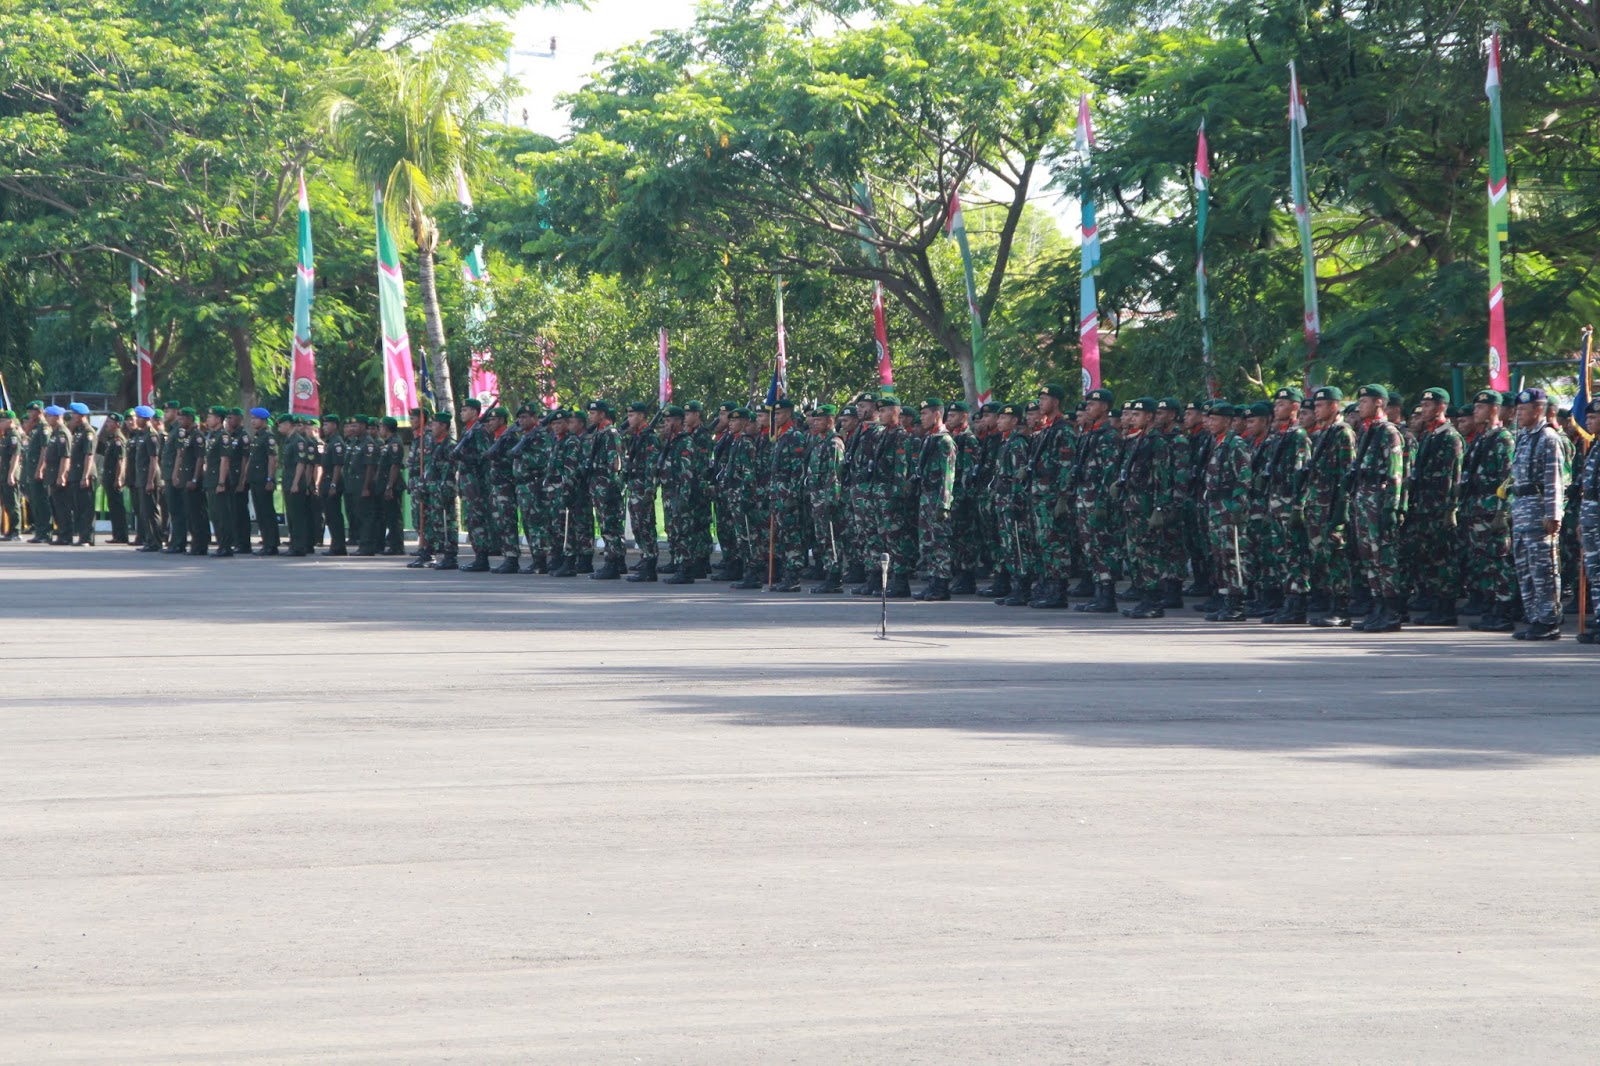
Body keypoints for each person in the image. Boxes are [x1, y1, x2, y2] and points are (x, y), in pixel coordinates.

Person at [1508, 388, 1567, 640]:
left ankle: (1549, 620)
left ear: (1538, 410)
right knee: (1525, 569)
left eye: (1524, 409)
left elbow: (1554, 478)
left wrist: (1553, 514)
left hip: (1539, 510)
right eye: (1518, 409)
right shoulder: (1523, 437)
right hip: (1521, 509)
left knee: (1544, 569)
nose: (1519, 414)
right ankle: (1534, 618)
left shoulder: (1548, 438)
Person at [1348, 385, 1408, 632]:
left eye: (1365, 401)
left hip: (1379, 499)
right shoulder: (1367, 431)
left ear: (1379, 403)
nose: (1360, 406)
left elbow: (1396, 474)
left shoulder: (1388, 432)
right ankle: (1378, 606)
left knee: (1383, 557)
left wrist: (1391, 509)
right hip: (1364, 499)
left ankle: (1392, 610)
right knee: (1368, 557)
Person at [1406, 387, 1465, 625]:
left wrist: (1451, 509)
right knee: (1429, 557)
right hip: (1425, 506)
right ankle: (1434, 603)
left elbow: (1456, 477)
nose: (1423, 409)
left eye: (1429, 405)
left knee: (1444, 558)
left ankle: (1446, 607)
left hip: (1441, 508)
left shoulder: (1450, 437)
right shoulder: (1430, 435)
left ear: (1441, 407)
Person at [1303, 387, 1357, 627]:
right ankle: (1329, 600)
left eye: (1321, 405)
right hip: (1318, 505)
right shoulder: (1321, 434)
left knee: (1336, 556)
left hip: (1333, 504)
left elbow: (1347, 473)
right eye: (1315, 406)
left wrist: (1342, 508)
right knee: (1323, 556)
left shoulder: (1343, 433)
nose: (1316, 410)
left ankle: (1342, 607)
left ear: (1334, 406)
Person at [1116, 397, 1173, 618]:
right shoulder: (1139, 439)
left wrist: (1159, 509)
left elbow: (1162, 478)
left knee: (1150, 554)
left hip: (1147, 506)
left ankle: (1154, 601)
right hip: (1133, 504)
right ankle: (1144, 598)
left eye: (1137, 414)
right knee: (1137, 553)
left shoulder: (1157, 441)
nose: (1132, 418)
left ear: (1149, 416)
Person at [1260, 388, 1311, 623]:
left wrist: (1299, 506)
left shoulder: (1298, 436)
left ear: (1294, 407)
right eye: (1276, 403)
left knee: (1294, 553)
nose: (1276, 407)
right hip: (1276, 501)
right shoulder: (1279, 435)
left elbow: (1301, 475)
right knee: (1280, 553)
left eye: (1281, 404)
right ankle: (1286, 600)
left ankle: (1297, 602)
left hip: (1289, 503)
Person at [1026, 384, 1075, 609]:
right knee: (1044, 542)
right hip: (1040, 496)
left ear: (1056, 402)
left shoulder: (1063, 430)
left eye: (1044, 399)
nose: (1040, 403)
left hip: (1054, 496)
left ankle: (1058, 590)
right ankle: (1047, 584)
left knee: (1056, 543)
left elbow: (1066, 466)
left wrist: (1063, 498)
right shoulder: (1046, 429)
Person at [1202, 402, 1251, 622]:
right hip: (1215, 508)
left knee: (1234, 556)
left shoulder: (1235, 444)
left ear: (1228, 421)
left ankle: (1237, 602)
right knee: (1220, 555)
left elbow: (1244, 478)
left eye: (1215, 419)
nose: (1210, 423)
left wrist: (1237, 507)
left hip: (1229, 508)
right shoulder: (1217, 442)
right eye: (1209, 418)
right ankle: (1225, 598)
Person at [1072, 387, 1120, 613]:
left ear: (1104, 407)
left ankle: (1107, 594)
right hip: (1084, 496)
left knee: (1102, 547)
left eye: (1092, 404)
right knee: (1089, 546)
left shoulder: (1109, 435)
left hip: (1097, 500)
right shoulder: (1090, 433)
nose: (1088, 407)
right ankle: (1098, 591)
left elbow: (1108, 473)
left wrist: (1102, 503)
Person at [911, 398, 957, 601]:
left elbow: (949, 475)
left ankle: (941, 583)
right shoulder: (931, 438)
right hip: (926, 496)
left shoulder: (945, 441)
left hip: (937, 498)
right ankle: (932, 581)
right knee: (928, 542)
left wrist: (944, 504)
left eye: (925, 414)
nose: (921, 418)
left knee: (940, 541)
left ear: (937, 414)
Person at [767, 399, 809, 590]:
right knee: (783, 536)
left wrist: (792, 494)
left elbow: (797, 469)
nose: (777, 417)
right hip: (778, 493)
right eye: (775, 414)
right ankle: (786, 574)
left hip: (788, 495)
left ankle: (793, 577)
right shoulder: (780, 437)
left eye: (781, 414)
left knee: (792, 537)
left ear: (789, 415)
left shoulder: (795, 437)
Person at [583, 400, 626, 580]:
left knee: (610, 526)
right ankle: (614, 562)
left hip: (606, 486)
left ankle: (612, 564)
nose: (590, 416)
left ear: (602, 414)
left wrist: (610, 487)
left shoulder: (610, 433)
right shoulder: (600, 432)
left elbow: (615, 463)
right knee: (606, 525)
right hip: (599, 485)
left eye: (593, 413)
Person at [622, 402, 660, 582]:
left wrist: (648, 490)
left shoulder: (649, 437)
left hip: (643, 487)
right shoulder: (637, 436)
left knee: (646, 527)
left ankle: (650, 564)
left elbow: (652, 466)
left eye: (632, 415)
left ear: (642, 416)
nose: (629, 419)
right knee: (638, 527)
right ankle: (645, 558)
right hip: (634, 486)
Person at [1577, 398, 1600, 644]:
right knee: (1594, 570)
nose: (1589, 421)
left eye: (1594, 417)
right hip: (1591, 513)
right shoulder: (1594, 446)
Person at [245, 408, 280, 555]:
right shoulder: (258, 436)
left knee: (267, 512)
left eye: (256, 418)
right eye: (252, 418)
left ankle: (271, 544)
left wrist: (270, 478)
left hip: (263, 479)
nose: (253, 421)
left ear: (264, 420)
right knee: (260, 512)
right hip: (255, 479)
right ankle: (266, 542)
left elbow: (273, 459)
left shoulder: (268, 437)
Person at [374, 416, 406, 556]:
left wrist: (389, 486)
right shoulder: (387, 443)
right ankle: (390, 544)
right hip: (384, 484)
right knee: (387, 516)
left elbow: (395, 466)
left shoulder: (395, 444)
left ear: (386, 428)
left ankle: (397, 546)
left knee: (394, 517)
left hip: (391, 485)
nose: (379, 430)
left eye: (380, 427)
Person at [40, 405, 71, 544]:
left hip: (58, 474)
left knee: (62, 506)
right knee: (56, 506)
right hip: (52, 474)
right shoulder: (55, 432)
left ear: (57, 417)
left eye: (49, 416)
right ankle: (61, 533)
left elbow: (65, 457)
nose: (46, 419)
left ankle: (65, 535)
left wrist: (61, 475)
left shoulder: (63, 433)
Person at [99, 412, 129, 543]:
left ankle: (121, 535)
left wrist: (118, 479)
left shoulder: (118, 439)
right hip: (109, 476)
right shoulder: (112, 438)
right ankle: (117, 535)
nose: (107, 424)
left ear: (117, 424)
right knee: (113, 507)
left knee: (117, 508)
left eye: (110, 422)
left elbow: (121, 461)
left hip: (114, 477)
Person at [0, 408, 22, 539]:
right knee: (7, 503)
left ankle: (16, 530)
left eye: (2, 421)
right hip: (3, 473)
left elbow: (15, 456)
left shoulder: (14, 436)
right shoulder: (6, 435)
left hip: (10, 473)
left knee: (13, 502)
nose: (0, 423)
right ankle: (10, 530)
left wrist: (11, 474)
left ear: (10, 421)